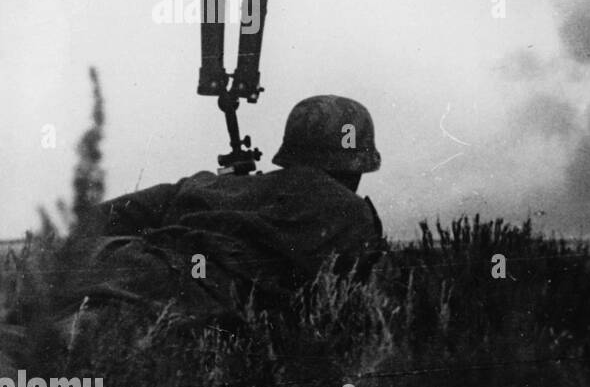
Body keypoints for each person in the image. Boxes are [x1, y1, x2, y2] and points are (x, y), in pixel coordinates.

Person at [55, 95, 384, 331]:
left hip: (128, 266)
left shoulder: (213, 185)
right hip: (185, 302)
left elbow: (108, 215)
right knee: (71, 344)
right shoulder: (351, 213)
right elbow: (338, 305)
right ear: (356, 165)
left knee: (30, 335)